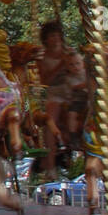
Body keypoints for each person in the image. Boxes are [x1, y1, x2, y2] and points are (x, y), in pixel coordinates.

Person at [38, 20, 86, 171]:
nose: (55, 38)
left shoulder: (69, 51)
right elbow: (44, 81)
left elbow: (81, 67)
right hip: (56, 92)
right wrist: (61, 65)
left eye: (57, 35)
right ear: (45, 39)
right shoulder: (42, 57)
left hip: (74, 89)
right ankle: (50, 162)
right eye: (51, 36)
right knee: (50, 120)